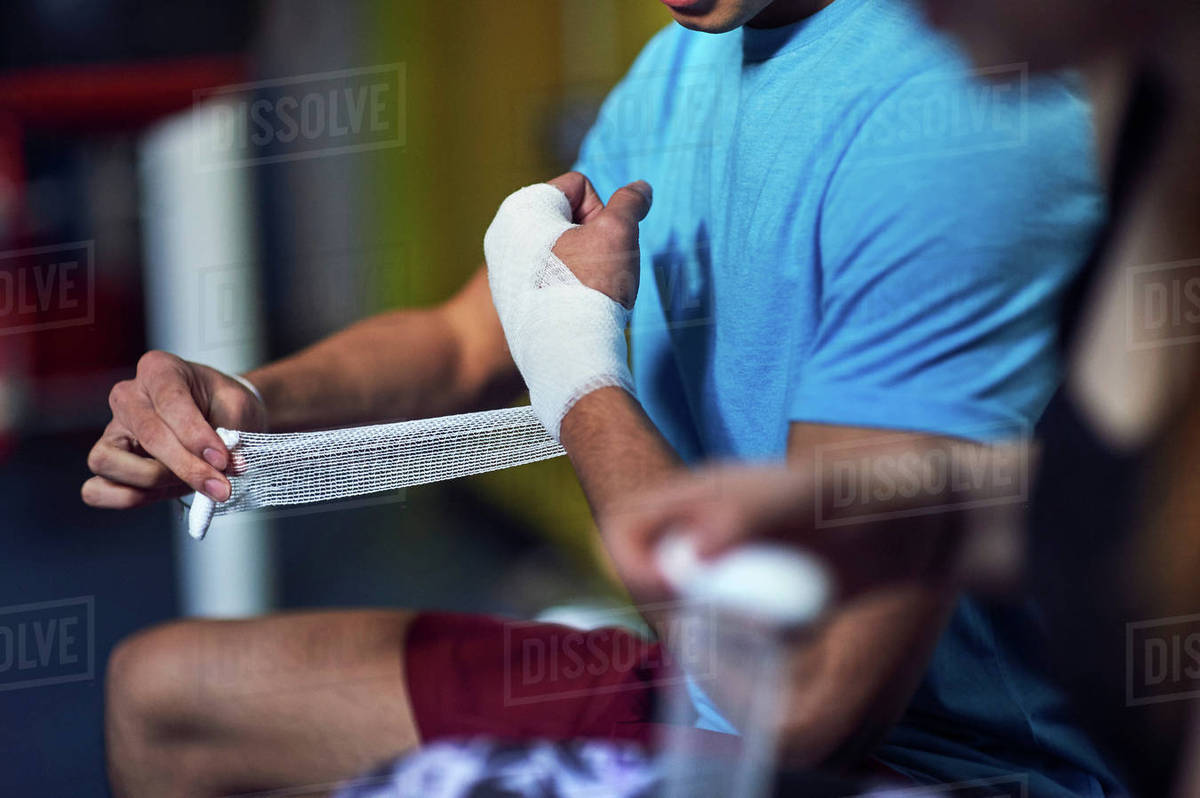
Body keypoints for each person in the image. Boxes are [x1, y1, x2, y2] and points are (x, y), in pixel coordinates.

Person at [83, 0, 1112, 795]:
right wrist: (246, 399)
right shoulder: (690, 62)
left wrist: (578, 373)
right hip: (707, 685)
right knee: (169, 694)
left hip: (931, 760)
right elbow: (461, 339)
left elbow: (806, 706)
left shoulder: (959, 125)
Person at [608, 0, 1200, 794]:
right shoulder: (1160, 134)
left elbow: (809, 716)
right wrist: (864, 502)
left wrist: (577, 381)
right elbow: (1107, 514)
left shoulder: (984, 131)